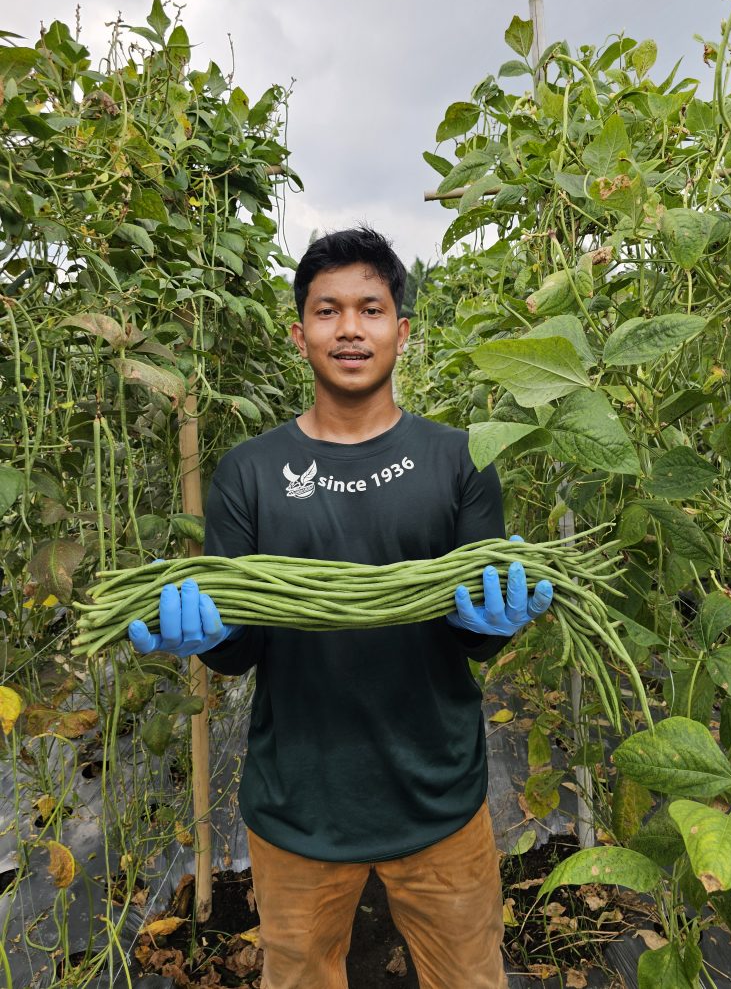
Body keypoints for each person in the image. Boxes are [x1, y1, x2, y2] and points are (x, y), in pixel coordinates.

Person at [128, 227, 553, 989]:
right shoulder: (250, 471)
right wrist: (211, 633)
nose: (350, 328)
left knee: (470, 977)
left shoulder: (460, 458)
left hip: (439, 797)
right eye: (328, 311)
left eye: (371, 308)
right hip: (298, 806)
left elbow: (474, 634)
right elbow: (238, 649)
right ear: (299, 333)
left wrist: (495, 622)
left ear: (402, 330)